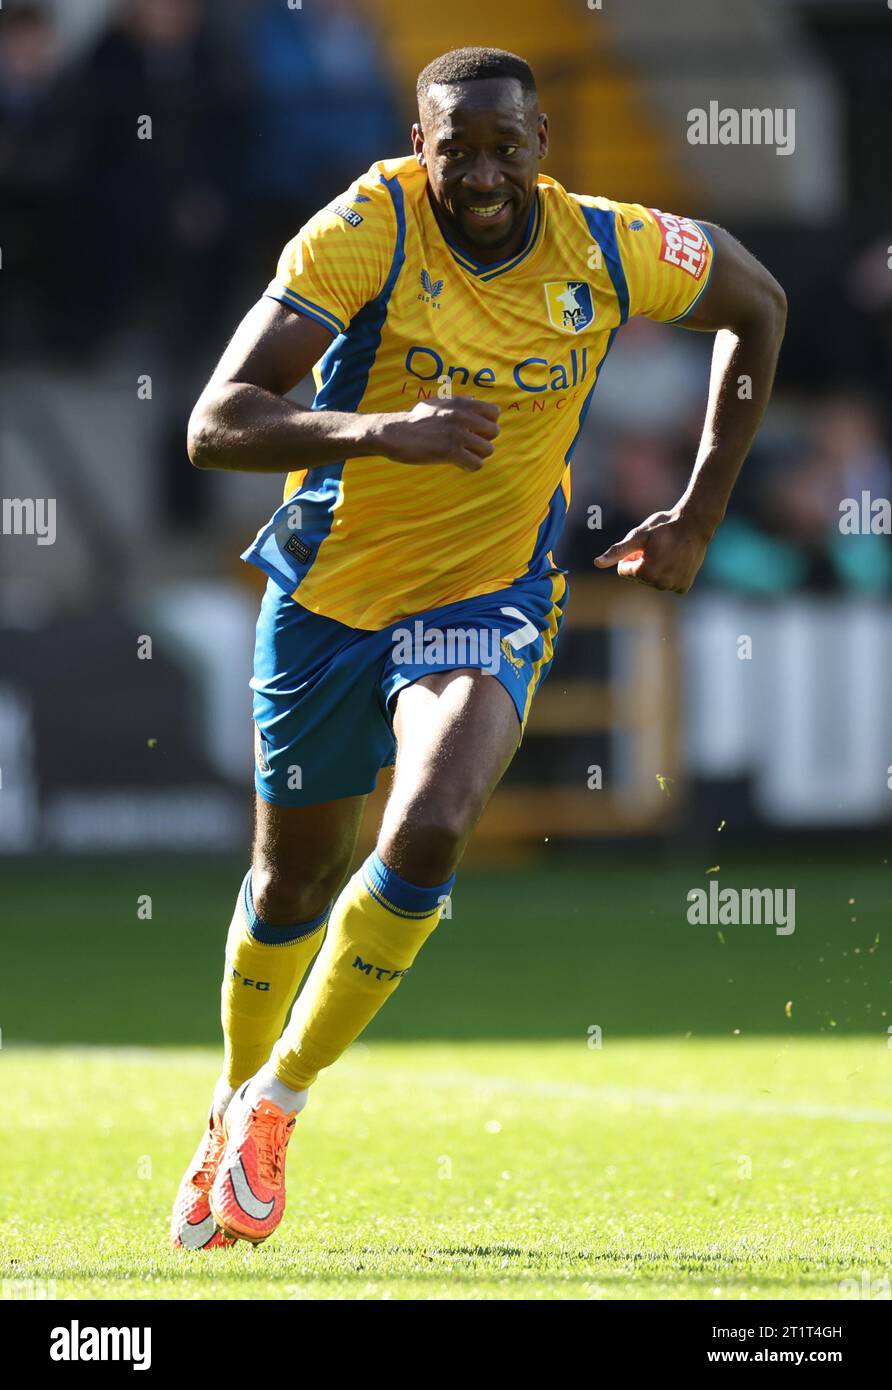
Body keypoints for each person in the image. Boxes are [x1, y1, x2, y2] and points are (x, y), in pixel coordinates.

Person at [171, 46, 786, 1249]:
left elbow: (757, 301)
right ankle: (229, 1103)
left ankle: (278, 1107)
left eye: (509, 145)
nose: (487, 171)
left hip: (488, 588)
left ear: (542, 145)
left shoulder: (606, 246)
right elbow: (214, 422)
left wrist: (701, 511)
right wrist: (384, 431)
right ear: (422, 146)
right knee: (294, 877)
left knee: (432, 821)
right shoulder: (366, 229)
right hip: (326, 595)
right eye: (460, 149)